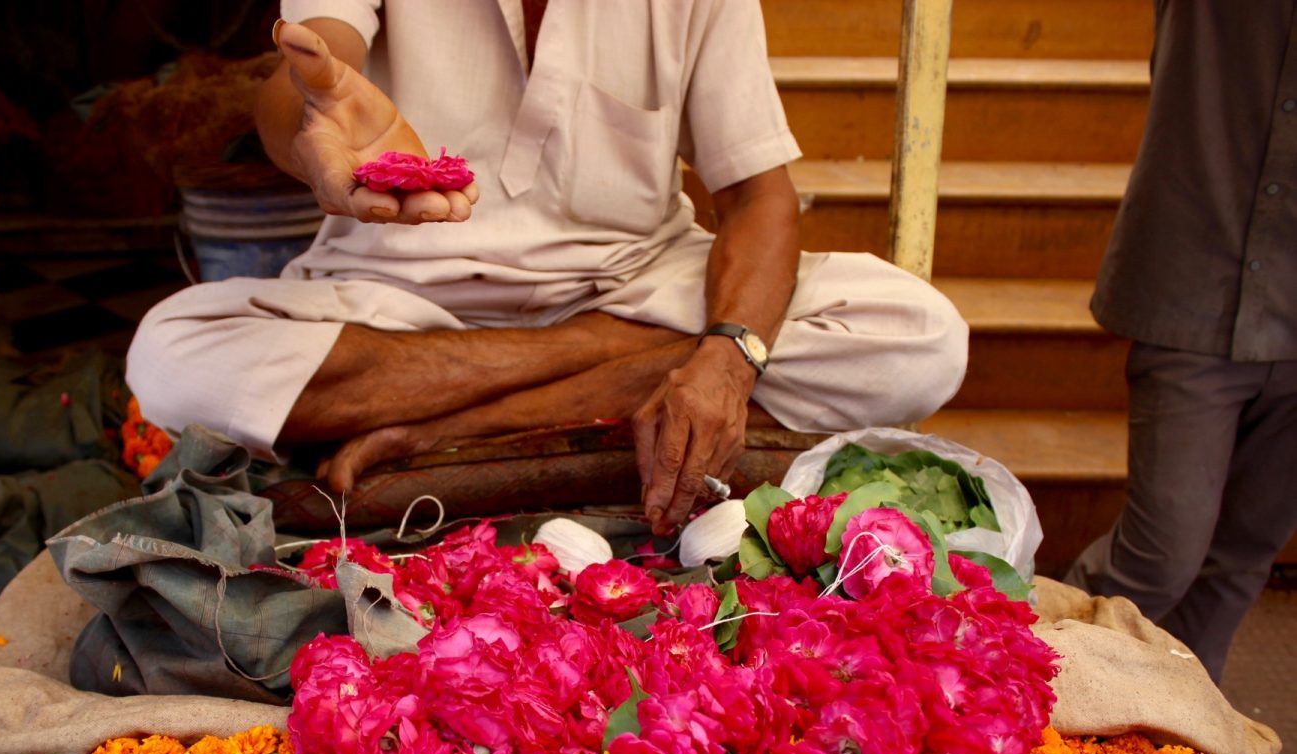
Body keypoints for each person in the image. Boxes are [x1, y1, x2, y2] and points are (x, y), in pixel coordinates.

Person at [126, 0, 967, 535]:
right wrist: (318, 115)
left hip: (638, 283)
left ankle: (443, 435)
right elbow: (312, 70)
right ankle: (593, 383)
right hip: (397, 304)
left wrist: (723, 358)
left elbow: (759, 198)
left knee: (916, 335)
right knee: (169, 357)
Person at [1066, 0, 1297, 680]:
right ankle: (1038, 683)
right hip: (1193, 285)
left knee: (1244, 553)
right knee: (1159, 555)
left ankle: (1185, 729)